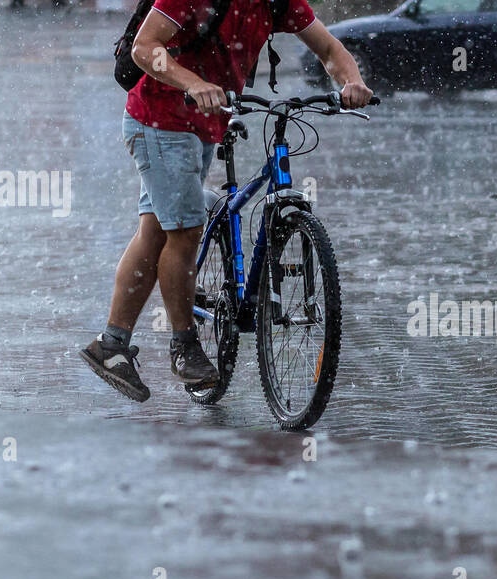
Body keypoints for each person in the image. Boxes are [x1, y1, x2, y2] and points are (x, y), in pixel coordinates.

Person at [81, 0, 373, 402]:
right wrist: (194, 84)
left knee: (155, 232)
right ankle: (184, 346)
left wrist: (350, 81)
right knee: (183, 232)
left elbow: (328, 50)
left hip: (202, 125)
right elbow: (145, 48)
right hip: (159, 119)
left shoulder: (277, 2)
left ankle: (111, 345)